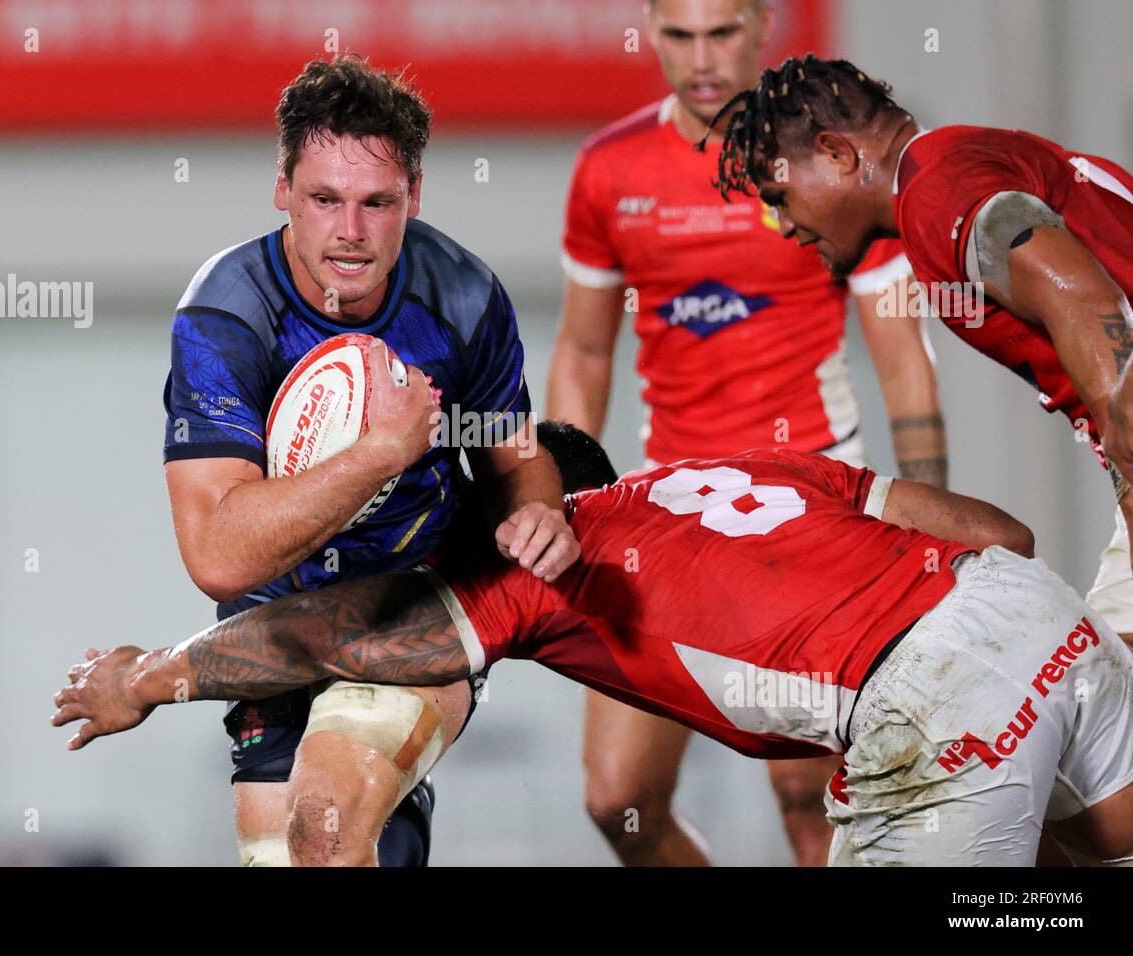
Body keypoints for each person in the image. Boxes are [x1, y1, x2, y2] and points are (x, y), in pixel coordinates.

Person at [55, 421, 1133, 866]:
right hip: (1026, 610)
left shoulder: (530, 568)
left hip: (928, 695)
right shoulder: (741, 466)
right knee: (1085, 846)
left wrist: (154, 676)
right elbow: (1005, 533)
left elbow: (325, 629)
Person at [549, 0, 945, 866]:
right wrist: (564, 506)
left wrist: (927, 524)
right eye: (679, 35)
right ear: (649, 30)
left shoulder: (821, 160)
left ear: (764, 25)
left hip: (814, 501)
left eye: (722, 32)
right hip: (669, 510)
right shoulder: (609, 169)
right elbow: (582, 351)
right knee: (618, 798)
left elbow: (903, 360)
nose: (701, 59)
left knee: (813, 797)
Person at [161, 55, 579, 866]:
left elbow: (516, 460)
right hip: (272, 628)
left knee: (326, 832)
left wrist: (540, 510)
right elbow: (216, 556)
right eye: (324, 199)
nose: (350, 232)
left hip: (411, 614)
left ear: (413, 198)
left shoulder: (461, 296)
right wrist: (381, 451)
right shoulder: (225, 315)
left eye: (377, 203)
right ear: (281, 187)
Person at [705, 52, 1133, 644]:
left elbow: (1088, 302)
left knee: (1089, 703)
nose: (783, 225)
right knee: (1098, 695)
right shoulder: (949, 170)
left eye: (780, 196)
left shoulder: (938, 196)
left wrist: (1126, 443)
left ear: (837, 153)